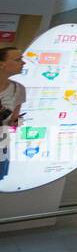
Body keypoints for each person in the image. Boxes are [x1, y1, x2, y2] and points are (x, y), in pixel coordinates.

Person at [0, 47, 27, 183]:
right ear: (1, 64)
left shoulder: (19, 89)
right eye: (18, 60)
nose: (23, 63)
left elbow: (14, 122)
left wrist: (17, 123)